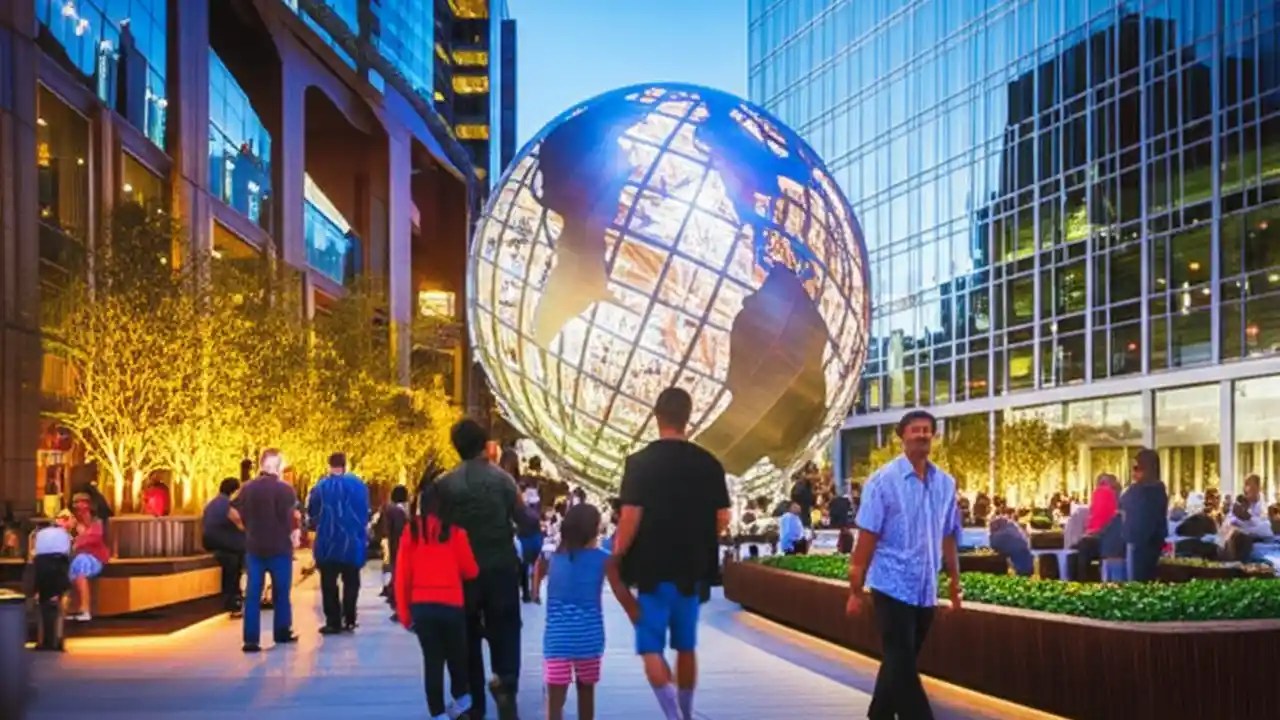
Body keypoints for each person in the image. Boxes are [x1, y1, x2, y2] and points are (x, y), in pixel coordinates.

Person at [609, 387, 731, 720]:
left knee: (650, 647)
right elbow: (723, 517)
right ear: (688, 417)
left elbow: (630, 517)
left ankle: (673, 715)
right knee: (686, 646)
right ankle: (687, 714)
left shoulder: (639, 464)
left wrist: (616, 556)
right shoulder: (709, 464)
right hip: (691, 569)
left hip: (650, 568)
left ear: (656, 416)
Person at [846, 409, 962, 720]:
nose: (922, 435)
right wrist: (855, 589)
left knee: (900, 661)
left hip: (925, 589)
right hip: (890, 585)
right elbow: (867, 537)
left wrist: (954, 582)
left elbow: (949, 534)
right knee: (901, 659)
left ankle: (879, 714)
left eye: (927, 430)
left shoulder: (946, 484)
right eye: (916, 430)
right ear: (902, 437)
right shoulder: (883, 481)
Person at [437, 419, 523, 720]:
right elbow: (525, 521)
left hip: (461, 576)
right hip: (501, 570)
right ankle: (506, 684)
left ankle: (474, 706)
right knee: (506, 631)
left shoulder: (444, 485)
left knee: (466, 641)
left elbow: (433, 531)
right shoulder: (504, 481)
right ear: (485, 444)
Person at [396, 472, 478, 720]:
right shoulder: (455, 533)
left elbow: (402, 576)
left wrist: (404, 614)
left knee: (432, 662)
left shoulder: (411, 532)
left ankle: (438, 713)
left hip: (422, 607)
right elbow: (470, 570)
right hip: (451, 606)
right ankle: (462, 700)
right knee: (456, 657)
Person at [532, 503, 609, 720]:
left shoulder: (551, 556)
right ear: (593, 531)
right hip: (589, 638)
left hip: (557, 640)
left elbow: (537, 569)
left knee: (555, 703)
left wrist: (535, 593)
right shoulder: (603, 558)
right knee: (586, 695)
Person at [229, 449, 300, 652]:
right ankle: (282, 632)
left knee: (252, 595)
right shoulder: (286, 490)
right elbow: (292, 516)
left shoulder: (247, 488)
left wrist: (245, 527)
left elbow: (232, 510)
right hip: (279, 548)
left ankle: (251, 640)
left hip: (255, 548)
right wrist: (293, 535)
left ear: (261, 465)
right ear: (278, 466)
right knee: (281, 593)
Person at [307, 452, 370, 635]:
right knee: (351, 581)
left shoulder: (321, 487)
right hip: (351, 544)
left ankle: (333, 621)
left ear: (329, 465)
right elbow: (364, 514)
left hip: (328, 543)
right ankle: (349, 618)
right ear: (345, 465)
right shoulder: (359, 486)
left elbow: (313, 514)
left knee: (329, 584)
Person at [1120, 448, 1168, 582]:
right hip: (1150, 541)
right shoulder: (1158, 489)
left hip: (1140, 542)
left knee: (1138, 580)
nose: (1134, 472)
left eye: (1137, 468)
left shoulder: (1142, 490)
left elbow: (1123, 502)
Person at [203, 478, 247, 615]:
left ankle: (234, 596)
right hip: (224, 543)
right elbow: (240, 524)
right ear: (234, 491)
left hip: (209, 541)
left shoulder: (212, 504)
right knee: (241, 553)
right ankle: (234, 597)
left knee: (237, 554)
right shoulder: (228, 505)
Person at [66, 493, 110, 622]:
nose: (81, 512)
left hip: (95, 558)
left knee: (81, 564)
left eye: (83, 508)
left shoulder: (97, 523)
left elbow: (94, 538)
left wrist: (79, 539)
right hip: (75, 557)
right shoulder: (72, 523)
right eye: (77, 509)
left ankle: (85, 609)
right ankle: (70, 608)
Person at [1072, 474, 1119, 580]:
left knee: (1082, 549)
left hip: (1099, 538)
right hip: (1109, 540)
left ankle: (1082, 582)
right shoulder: (1116, 496)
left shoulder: (1101, 493)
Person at [378, 484, 411, 622]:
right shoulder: (399, 512)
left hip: (395, 547)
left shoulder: (390, 510)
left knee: (396, 575)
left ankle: (396, 602)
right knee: (400, 577)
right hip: (399, 548)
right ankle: (399, 606)